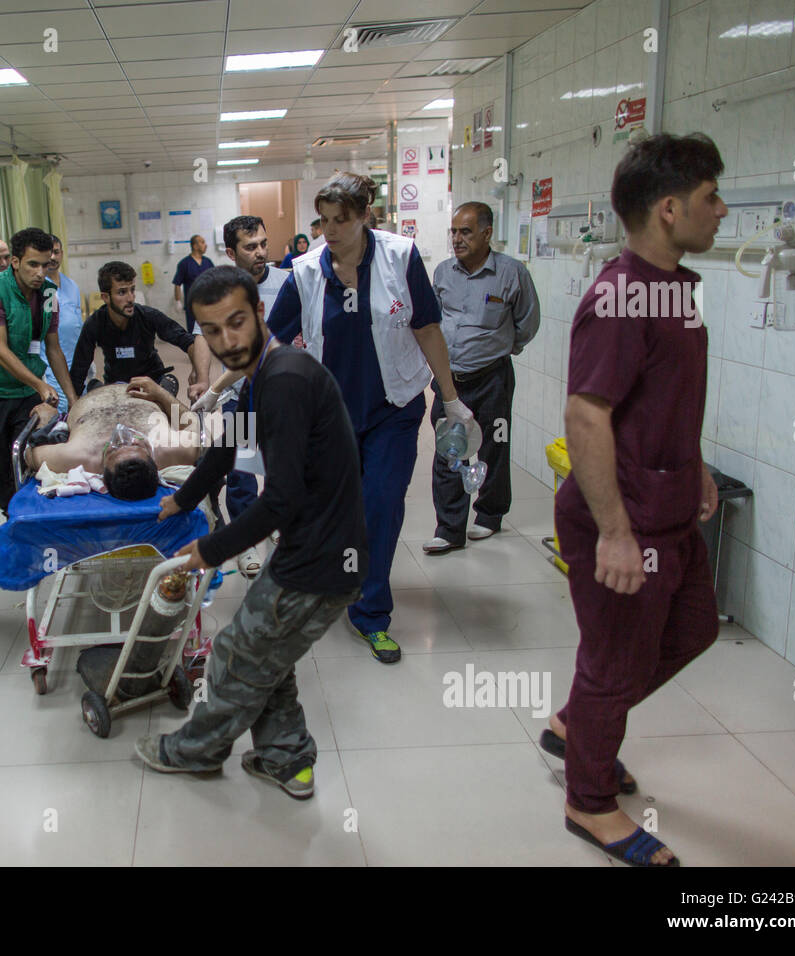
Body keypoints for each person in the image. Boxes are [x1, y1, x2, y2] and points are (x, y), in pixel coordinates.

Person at [547, 133, 727, 867]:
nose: (721, 211)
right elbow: (586, 415)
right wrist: (616, 534)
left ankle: (579, 727)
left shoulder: (673, 288)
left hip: (672, 503)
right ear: (669, 208)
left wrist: (696, 463)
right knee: (614, 665)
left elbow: (654, 402)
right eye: (711, 198)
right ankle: (589, 801)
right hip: (625, 519)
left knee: (693, 631)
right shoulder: (621, 297)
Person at [134, 266, 368, 800]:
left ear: (260, 313)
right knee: (267, 652)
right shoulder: (266, 372)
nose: (226, 340)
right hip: (322, 552)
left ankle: (195, 752)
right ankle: (288, 760)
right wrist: (184, 499)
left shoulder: (284, 381)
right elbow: (226, 445)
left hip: (319, 562)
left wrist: (210, 549)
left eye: (236, 322)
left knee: (237, 653)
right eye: (211, 331)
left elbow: (282, 499)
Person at [266, 171, 473, 665]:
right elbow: (268, 340)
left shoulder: (401, 257)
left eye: (341, 220)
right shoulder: (307, 271)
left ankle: (371, 614)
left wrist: (451, 399)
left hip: (393, 409)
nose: (330, 231)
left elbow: (425, 328)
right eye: (323, 221)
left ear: (365, 217)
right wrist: (216, 391)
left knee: (380, 505)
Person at [424, 201, 540, 554]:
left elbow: (527, 322)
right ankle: (449, 528)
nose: (457, 239)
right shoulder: (443, 273)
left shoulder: (511, 273)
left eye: (466, 232)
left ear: (487, 234)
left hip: (492, 377)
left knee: (493, 447)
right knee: (450, 450)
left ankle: (489, 515)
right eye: (454, 232)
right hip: (450, 380)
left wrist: (501, 347)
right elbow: (432, 323)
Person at [191, 214, 288, 577]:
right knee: (242, 470)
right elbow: (200, 335)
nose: (261, 252)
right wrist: (204, 380)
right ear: (232, 252)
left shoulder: (288, 284)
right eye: (251, 247)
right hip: (238, 394)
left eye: (263, 243)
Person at [0, 227, 77, 516]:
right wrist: (41, 386)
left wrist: (72, 397)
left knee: (30, 454)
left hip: (25, 390)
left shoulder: (50, 293)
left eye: (45, 264)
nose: (40, 272)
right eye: (33, 264)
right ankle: (12, 511)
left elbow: (53, 347)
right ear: (15, 262)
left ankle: (29, 514)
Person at [26, 378, 203, 499]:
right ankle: (165, 385)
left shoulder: (78, 456)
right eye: (135, 444)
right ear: (152, 456)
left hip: (91, 398)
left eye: (114, 447)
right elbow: (191, 422)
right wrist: (161, 393)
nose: (122, 436)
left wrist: (46, 420)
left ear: (102, 469)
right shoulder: (170, 449)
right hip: (146, 392)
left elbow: (30, 455)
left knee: (92, 384)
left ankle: (95, 385)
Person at [68, 261, 209, 403]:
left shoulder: (148, 316)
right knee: (93, 387)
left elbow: (189, 342)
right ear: (105, 297)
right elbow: (80, 367)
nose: (130, 298)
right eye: (122, 292)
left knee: (169, 383)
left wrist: (197, 370)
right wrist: (74, 401)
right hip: (117, 385)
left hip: (153, 381)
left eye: (132, 290)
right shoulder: (95, 323)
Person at [40, 235, 83, 413]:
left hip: (76, 361)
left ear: (62, 254)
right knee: (62, 409)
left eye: (56, 252)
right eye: (48, 253)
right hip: (51, 366)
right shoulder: (42, 288)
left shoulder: (71, 285)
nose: (53, 257)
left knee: (80, 408)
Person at [171, 234, 214, 334]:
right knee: (194, 333)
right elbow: (177, 283)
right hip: (192, 305)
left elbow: (215, 280)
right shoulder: (184, 263)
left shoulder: (208, 262)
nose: (205, 245)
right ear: (195, 246)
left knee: (210, 330)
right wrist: (178, 301)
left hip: (208, 303)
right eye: (202, 242)